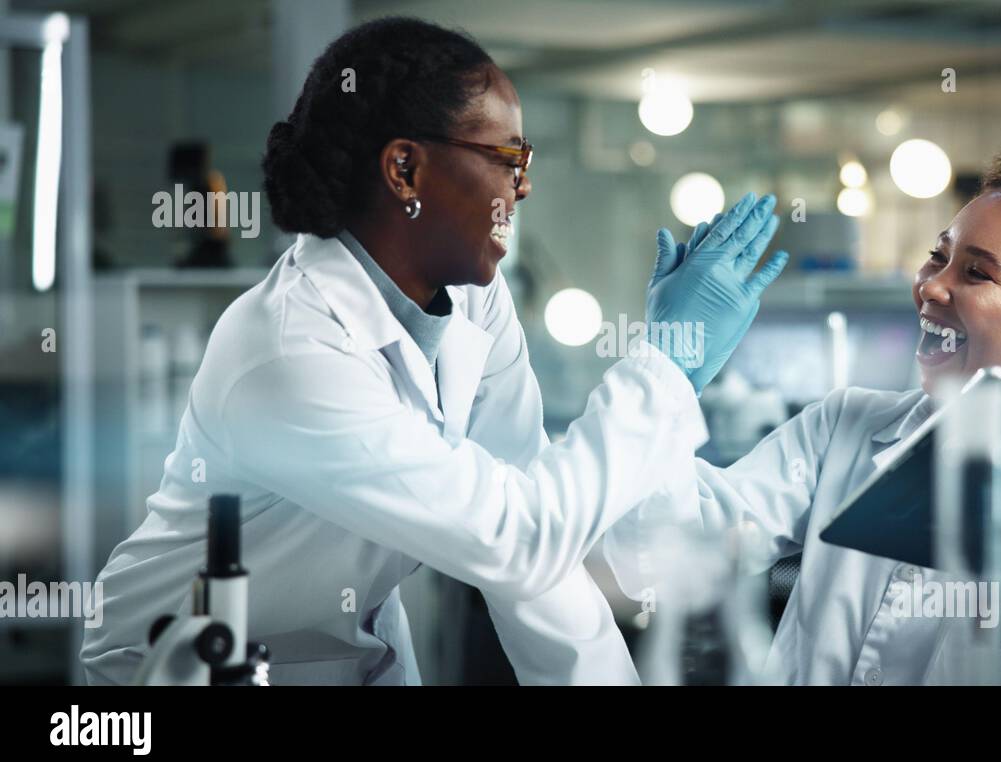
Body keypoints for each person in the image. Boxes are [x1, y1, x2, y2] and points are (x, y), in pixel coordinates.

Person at [81, 17, 789, 686]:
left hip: (338, 656)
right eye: (509, 157)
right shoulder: (289, 350)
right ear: (405, 170)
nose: (525, 184)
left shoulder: (474, 301)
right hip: (175, 666)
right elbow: (516, 537)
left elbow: (533, 557)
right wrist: (663, 365)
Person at [605, 98, 1001, 685]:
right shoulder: (844, 426)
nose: (931, 288)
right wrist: (668, 371)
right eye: (937, 258)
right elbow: (649, 562)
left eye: (976, 273)